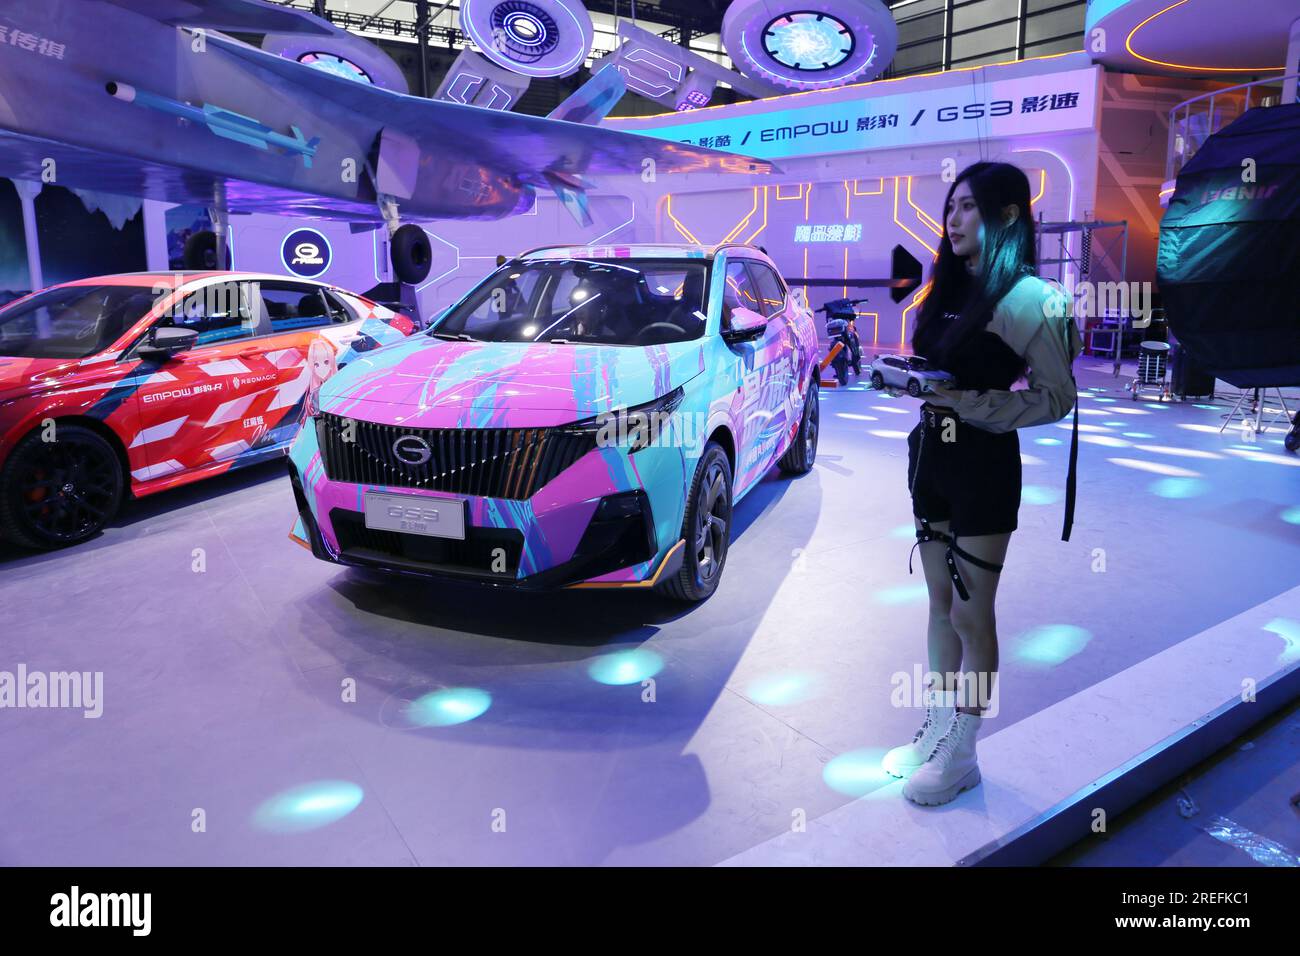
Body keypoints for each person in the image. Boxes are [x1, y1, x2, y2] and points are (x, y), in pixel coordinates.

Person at [883, 161, 1082, 806]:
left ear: (1006, 216)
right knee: (939, 601)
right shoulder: (948, 287)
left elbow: (1058, 397)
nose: (954, 217)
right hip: (931, 455)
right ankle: (939, 730)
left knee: (974, 612)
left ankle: (964, 750)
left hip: (984, 463)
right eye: (951, 205)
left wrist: (977, 406)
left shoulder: (1030, 299)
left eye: (969, 206)